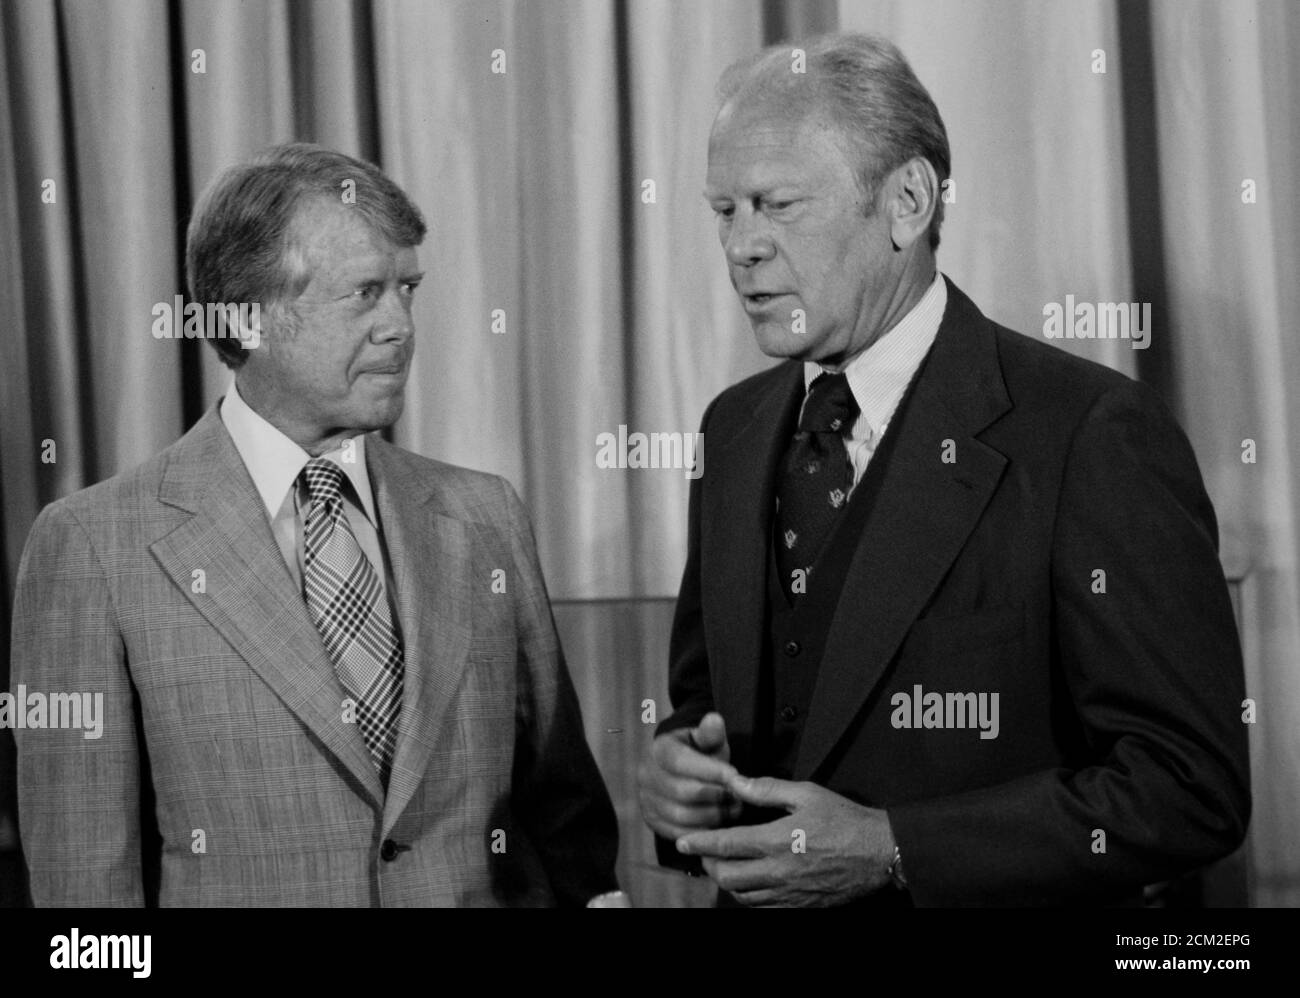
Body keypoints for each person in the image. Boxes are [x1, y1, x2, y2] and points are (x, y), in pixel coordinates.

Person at [637, 33, 1250, 907]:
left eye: (774, 204)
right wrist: (681, 785)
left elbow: (1191, 788)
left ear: (909, 202)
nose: (742, 247)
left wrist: (895, 849)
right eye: (724, 211)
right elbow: (707, 714)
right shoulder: (732, 430)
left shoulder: (1091, 434)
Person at [12, 143, 618, 907]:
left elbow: (566, 820)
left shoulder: (483, 514)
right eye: (365, 294)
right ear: (245, 318)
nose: (400, 326)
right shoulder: (95, 546)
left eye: (408, 289)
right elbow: (85, 893)